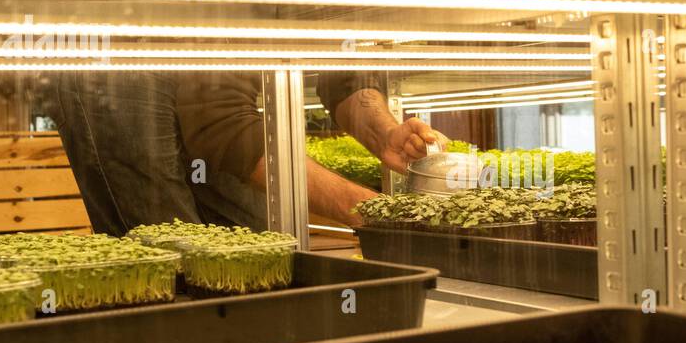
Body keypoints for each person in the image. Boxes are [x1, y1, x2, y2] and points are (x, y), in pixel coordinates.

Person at [50, 70, 444, 238]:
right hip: (125, 48)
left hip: (212, 65)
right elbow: (221, 122)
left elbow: (343, 76)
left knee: (254, 247)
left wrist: (386, 133)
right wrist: (368, 209)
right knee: (171, 252)